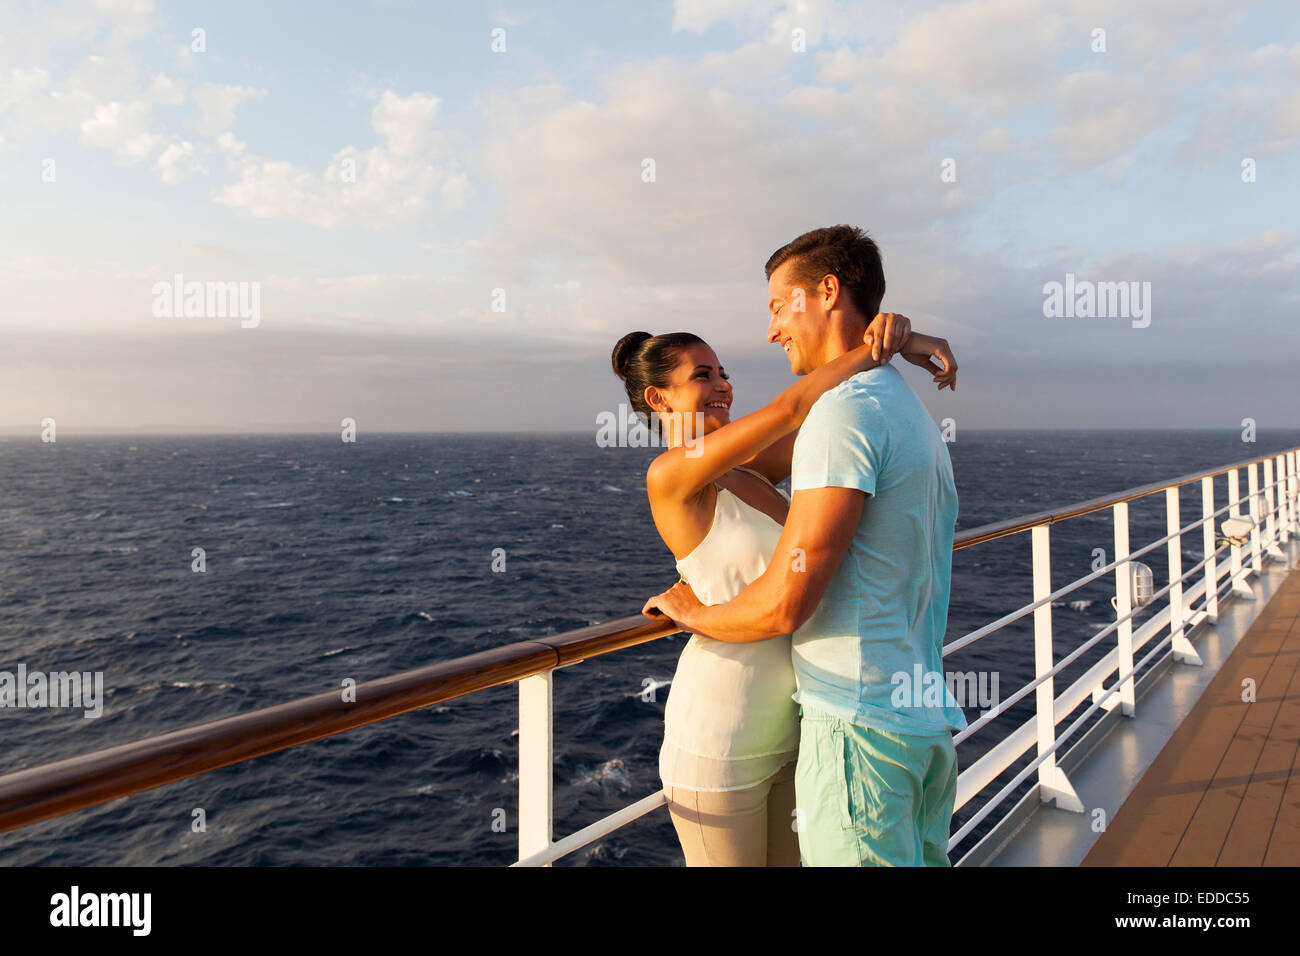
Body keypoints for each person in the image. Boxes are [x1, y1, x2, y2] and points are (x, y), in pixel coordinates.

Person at [643, 225, 966, 867]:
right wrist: (890, 342)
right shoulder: (671, 476)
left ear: (825, 292)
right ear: (657, 399)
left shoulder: (761, 465)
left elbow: (812, 411)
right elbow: (799, 405)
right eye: (700, 376)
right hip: (731, 722)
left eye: (721, 373)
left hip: (817, 719)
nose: (724, 384)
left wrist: (892, 340)